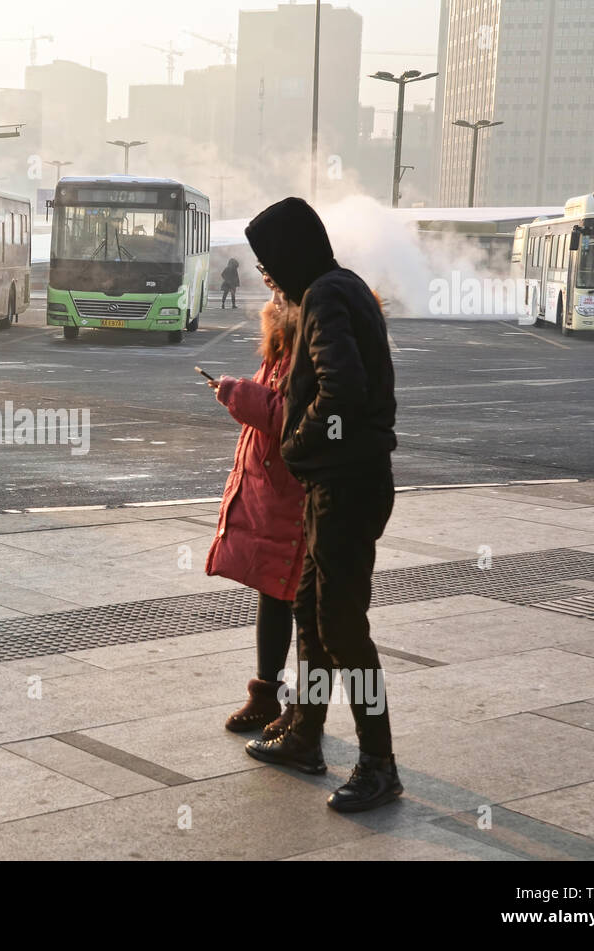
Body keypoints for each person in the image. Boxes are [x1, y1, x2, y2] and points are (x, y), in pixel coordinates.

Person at [242, 196, 401, 813]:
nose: (268, 276)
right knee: (310, 611)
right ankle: (305, 730)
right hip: (339, 483)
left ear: (289, 253)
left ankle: (378, 763)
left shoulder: (326, 297)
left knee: (341, 627)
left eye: (268, 263)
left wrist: (300, 443)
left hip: (346, 485)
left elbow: (343, 392)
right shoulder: (340, 286)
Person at [206, 282, 306, 738]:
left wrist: (236, 394)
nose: (273, 298)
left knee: (305, 606)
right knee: (275, 591)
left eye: (279, 290)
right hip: (277, 490)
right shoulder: (285, 338)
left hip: (297, 493)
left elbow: (291, 416)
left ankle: (305, 716)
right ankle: (269, 694)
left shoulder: (311, 339)